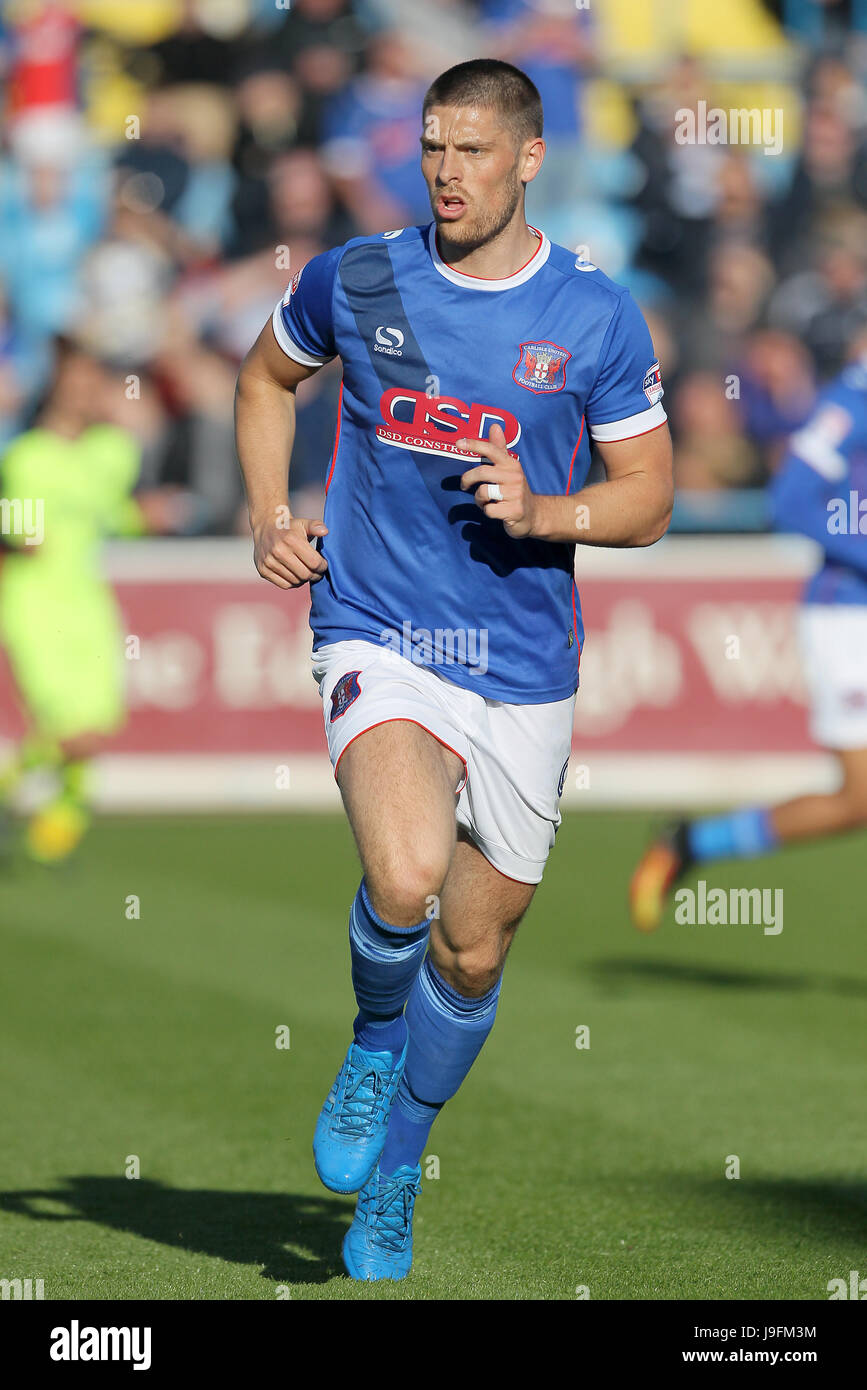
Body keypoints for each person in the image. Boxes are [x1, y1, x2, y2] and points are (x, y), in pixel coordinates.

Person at [236, 58, 673, 1282]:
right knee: (408, 870)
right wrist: (269, 509)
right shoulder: (358, 275)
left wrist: (548, 513)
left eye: (473, 152)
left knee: (475, 951)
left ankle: (394, 1179)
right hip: (375, 623)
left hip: (524, 662)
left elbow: (649, 504)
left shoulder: (593, 315)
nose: (447, 172)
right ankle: (375, 1045)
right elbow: (266, 378)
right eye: (434, 147)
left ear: (530, 160)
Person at [630, 348, 867, 933]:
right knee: (860, 797)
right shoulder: (854, 396)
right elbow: (789, 500)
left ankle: (692, 841)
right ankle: (692, 842)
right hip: (848, 615)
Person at [0, 339, 143, 862]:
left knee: (94, 723)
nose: (85, 393)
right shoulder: (26, 457)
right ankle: (47, 812)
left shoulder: (111, 454)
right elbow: (19, 537)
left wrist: (151, 515)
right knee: (70, 731)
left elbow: (117, 517)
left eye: (92, 382)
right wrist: (22, 526)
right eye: (75, 382)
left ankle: (52, 829)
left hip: (87, 602)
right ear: (56, 388)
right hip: (36, 602)